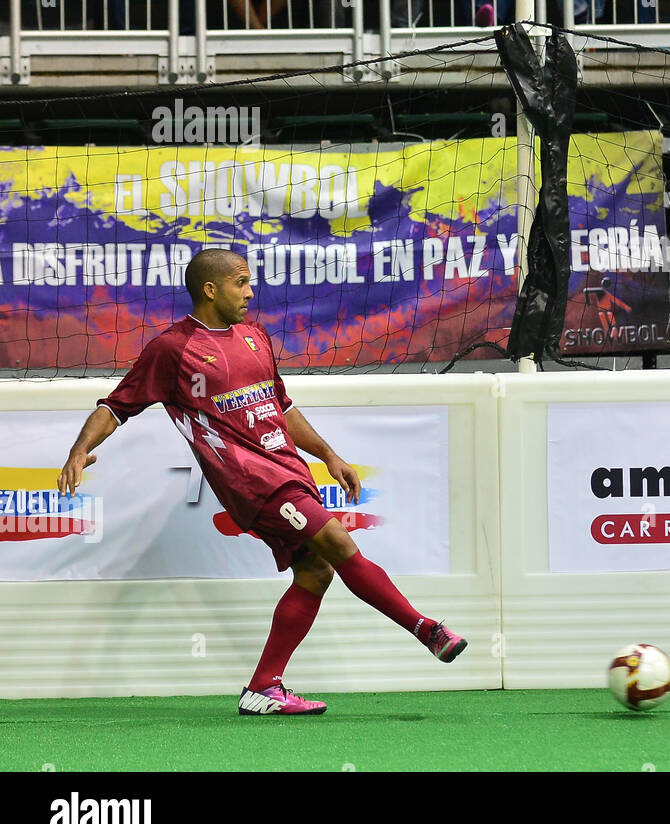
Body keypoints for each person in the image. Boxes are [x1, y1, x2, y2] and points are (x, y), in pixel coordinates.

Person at [55, 248, 467, 717]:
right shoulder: (172, 349)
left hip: (288, 469)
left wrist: (329, 455)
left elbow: (281, 408)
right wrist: (78, 450)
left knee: (315, 571)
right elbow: (115, 406)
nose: (250, 292)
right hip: (249, 482)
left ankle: (263, 688)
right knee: (336, 540)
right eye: (241, 283)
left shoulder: (255, 336)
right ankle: (426, 629)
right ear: (210, 289)